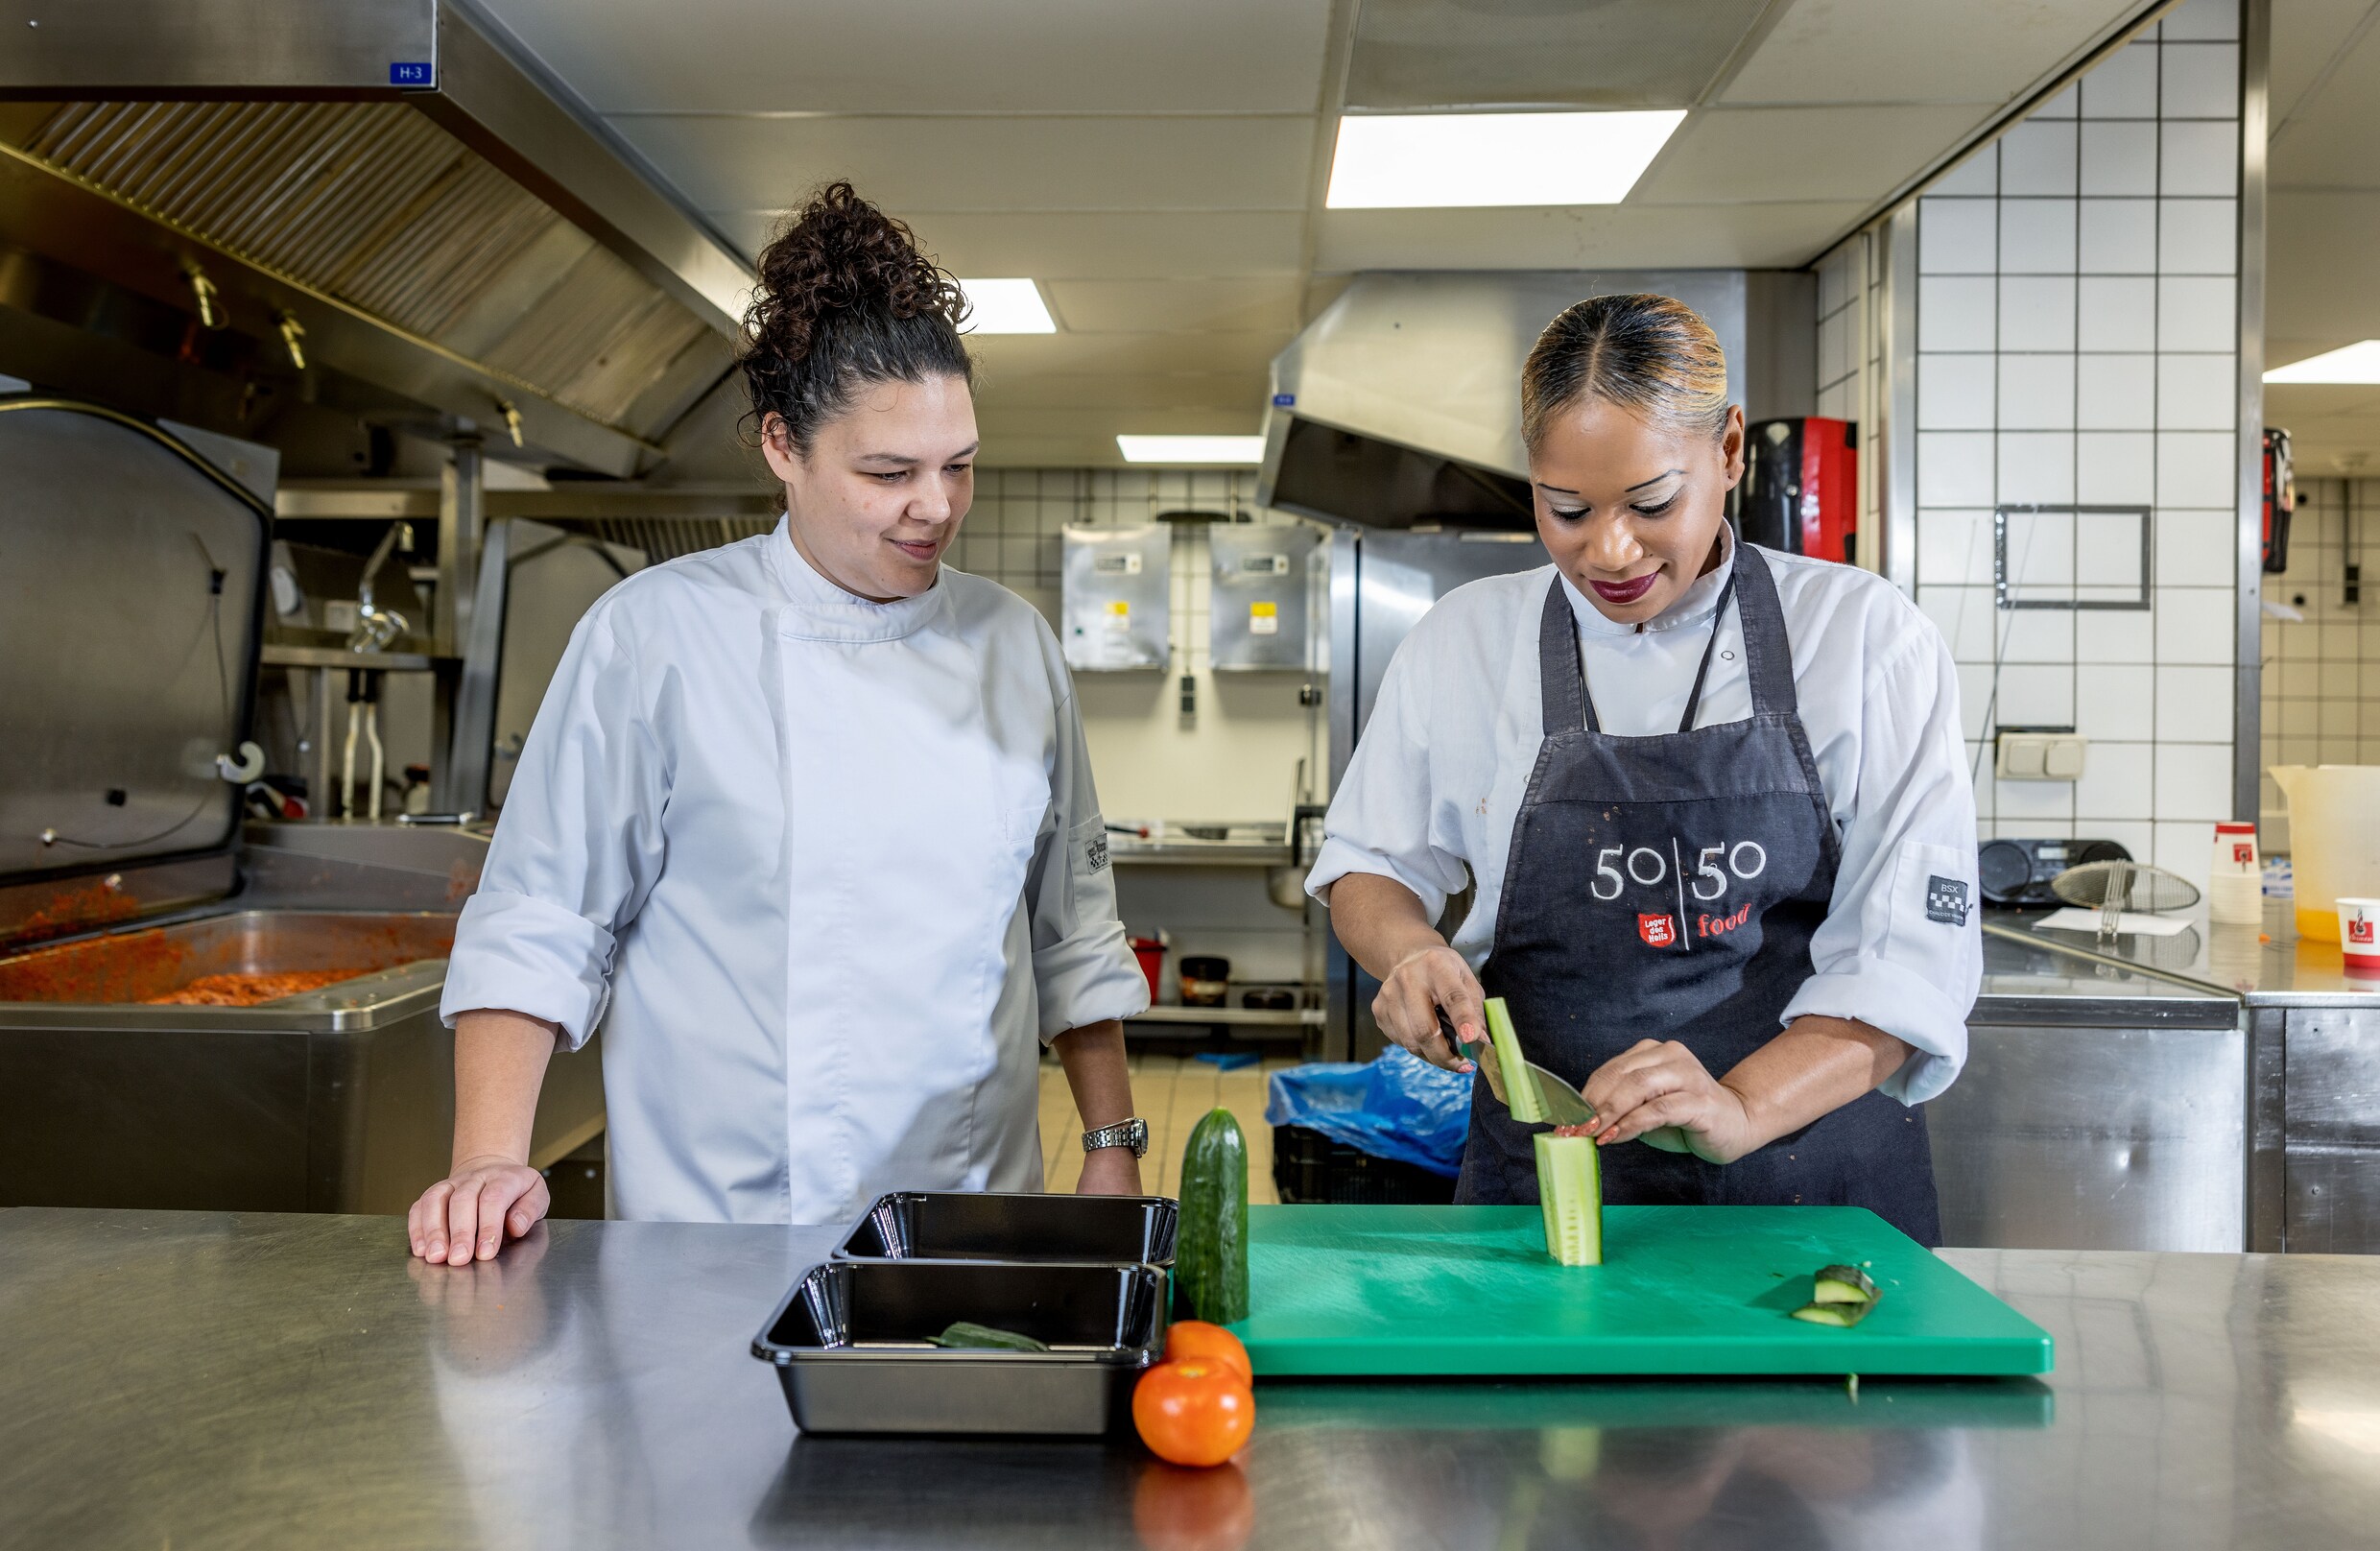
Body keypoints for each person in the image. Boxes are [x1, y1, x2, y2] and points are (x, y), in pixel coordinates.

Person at [408, 183, 1152, 1264]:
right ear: (780, 447)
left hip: (970, 1223)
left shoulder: (1016, 646)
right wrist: (486, 1157)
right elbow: (542, 917)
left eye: (959, 465)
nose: (935, 506)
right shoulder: (653, 638)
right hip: (715, 1226)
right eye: (888, 472)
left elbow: (1071, 926)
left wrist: (1112, 1136)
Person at [1309, 293, 1978, 1244]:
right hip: (1546, 1192)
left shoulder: (1862, 640)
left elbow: (1905, 965)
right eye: (1565, 508)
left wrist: (1737, 1103)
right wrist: (1409, 949)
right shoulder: (1465, 640)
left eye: (1651, 502)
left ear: (1731, 449)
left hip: (1810, 1200)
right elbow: (1369, 863)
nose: (1608, 550)